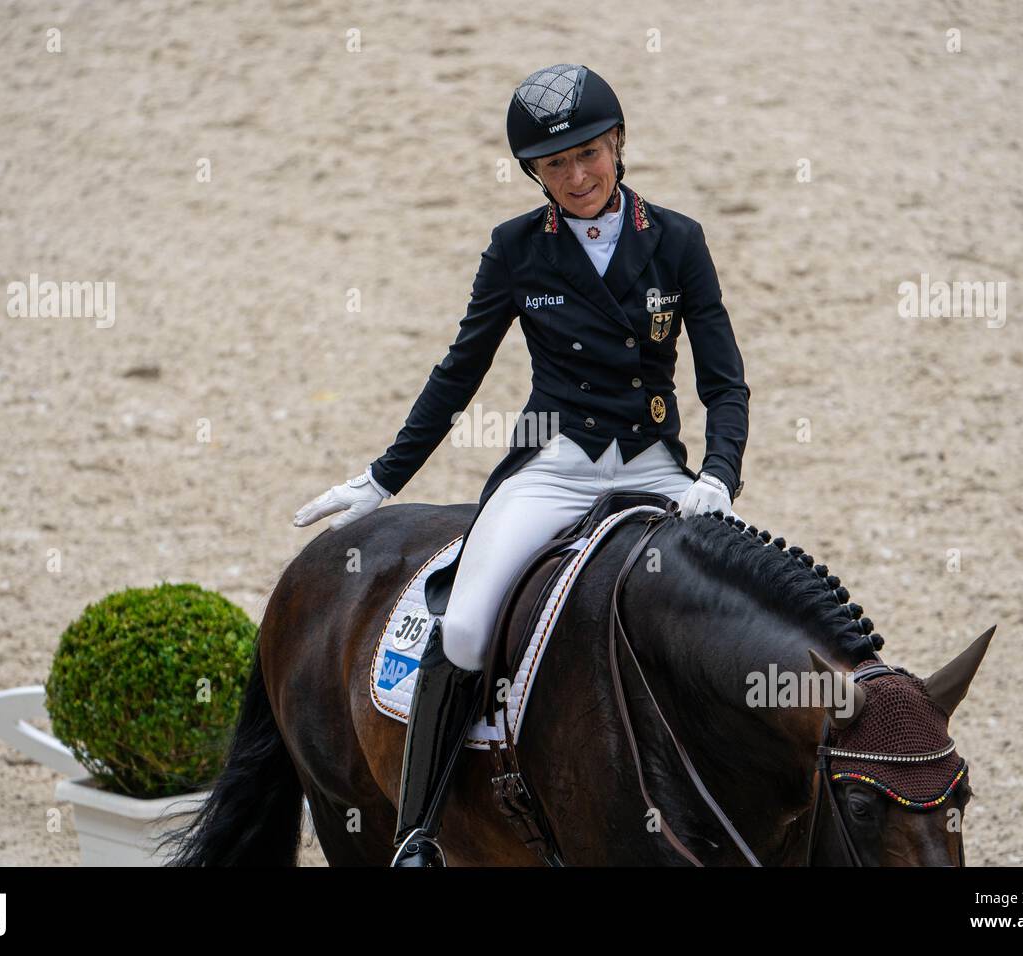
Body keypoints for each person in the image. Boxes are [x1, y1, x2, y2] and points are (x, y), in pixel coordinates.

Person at [293, 63, 750, 866]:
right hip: (555, 464)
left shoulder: (677, 240)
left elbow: (723, 379)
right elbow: (458, 372)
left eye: (588, 156)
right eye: (554, 166)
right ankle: (419, 831)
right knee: (465, 624)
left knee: (744, 612)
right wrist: (382, 478)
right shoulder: (514, 251)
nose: (576, 178)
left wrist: (719, 476)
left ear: (618, 143)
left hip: (654, 468)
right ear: (534, 174)